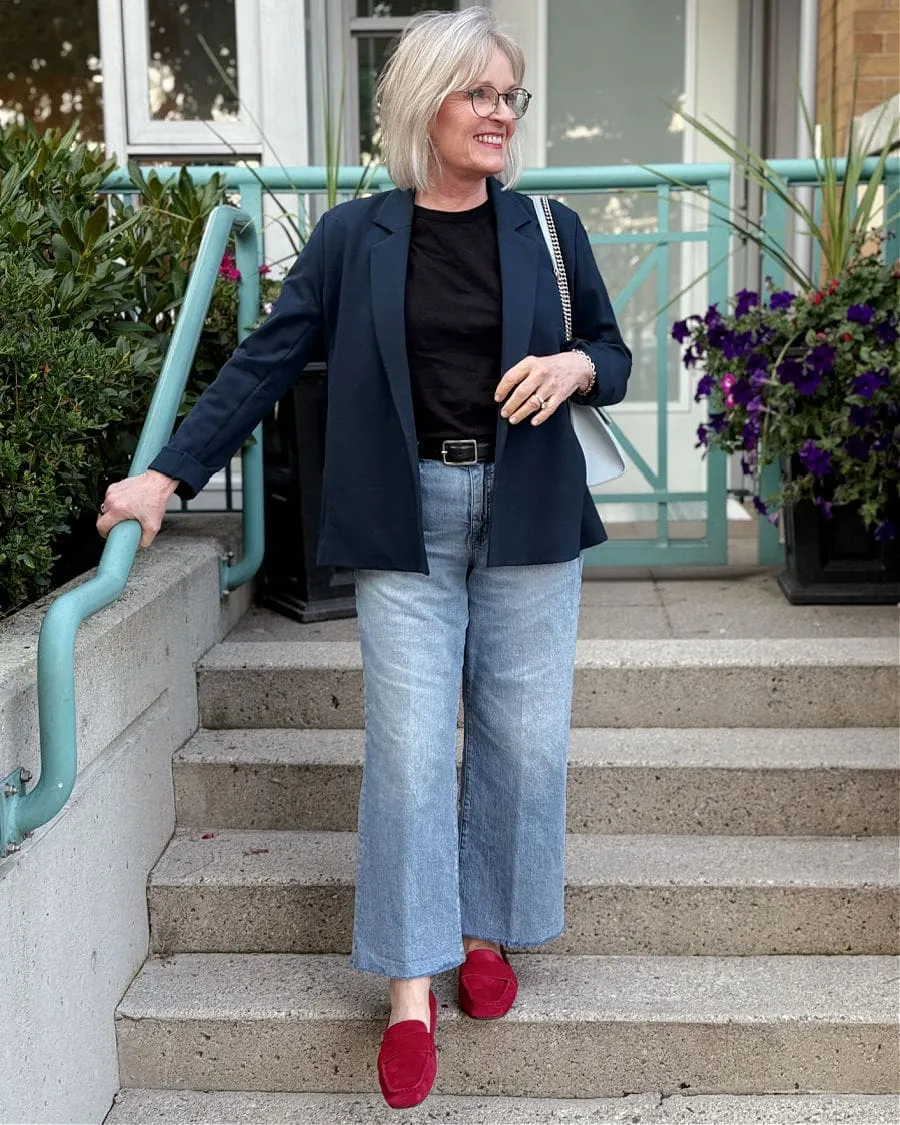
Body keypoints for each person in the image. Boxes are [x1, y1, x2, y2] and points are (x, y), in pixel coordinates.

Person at [97, 6, 631, 1110]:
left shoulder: (548, 230)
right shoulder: (356, 238)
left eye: (509, 96)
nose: (500, 115)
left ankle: (487, 930)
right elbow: (265, 361)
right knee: (403, 753)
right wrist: (166, 477)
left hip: (529, 516)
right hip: (408, 520)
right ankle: (407, 985)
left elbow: (614, 353)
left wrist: (575, 366)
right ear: (423, 101)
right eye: (479, 93)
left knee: (524, 743)